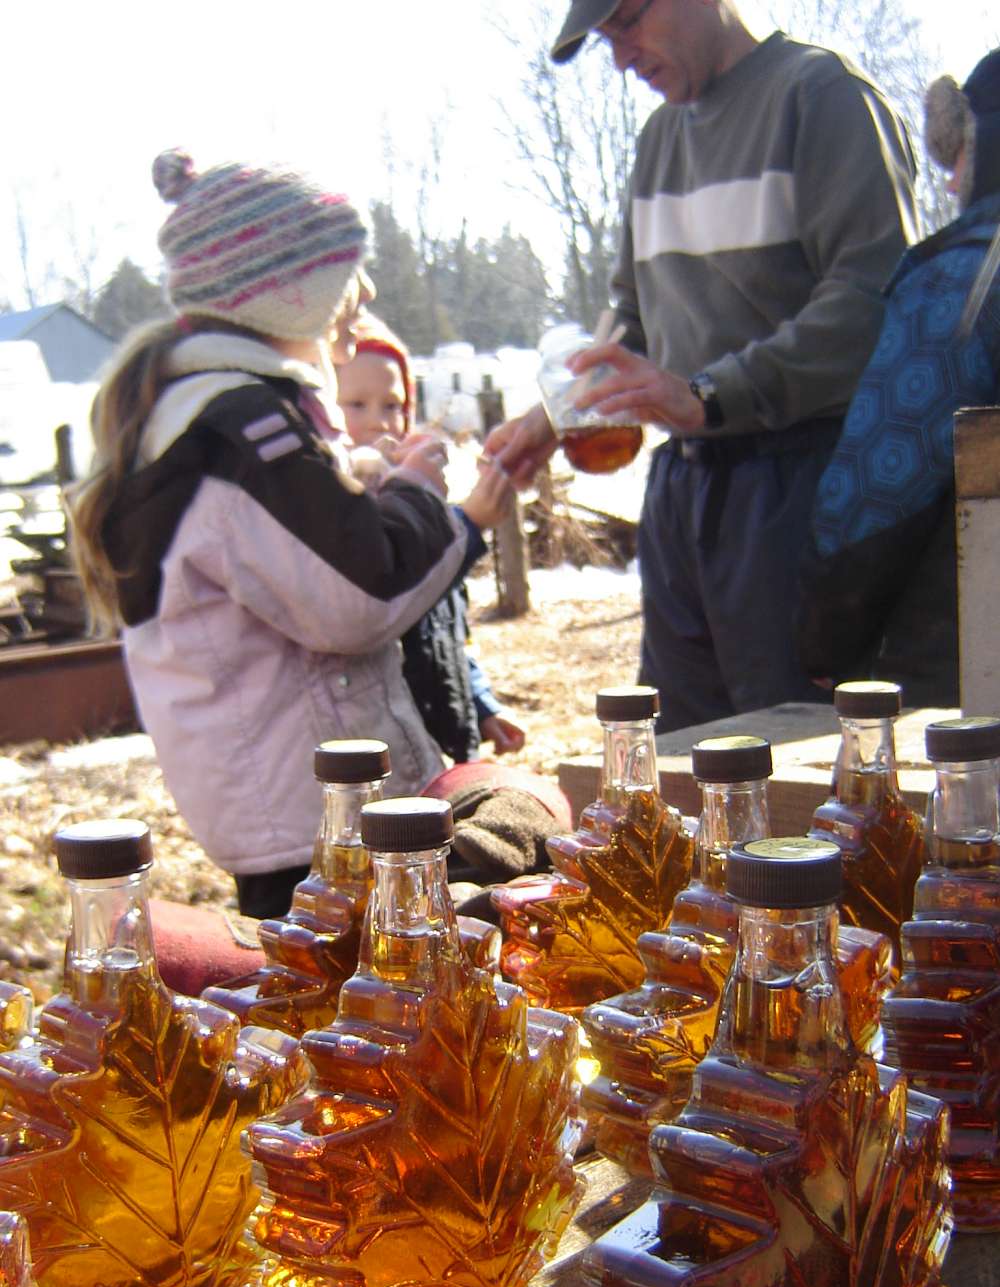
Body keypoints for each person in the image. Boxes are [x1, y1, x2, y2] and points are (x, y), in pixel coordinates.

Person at [69, 150, 513, 919]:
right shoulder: (242, 431)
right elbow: (354, 595)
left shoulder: (210, 418)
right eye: (349, 271)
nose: (365, 293)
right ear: (287, 292)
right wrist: (442, 505)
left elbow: (291, 543)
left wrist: (367, 477)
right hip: (313, 828)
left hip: (288, 813)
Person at [484, 0, 918, 732]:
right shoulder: (658, 140)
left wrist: (711, 394)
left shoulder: (821, 96)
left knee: (796, 756)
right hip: (684, 491)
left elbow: (872, 296)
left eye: (624, 21)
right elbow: (631, 318)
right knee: (684, 751)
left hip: (802, 482)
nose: (621, 57)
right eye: (604, 41)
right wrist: (556, 413)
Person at [797, 50, 1000, 707]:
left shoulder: (966, 280)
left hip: (965, 680)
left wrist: (825, 637)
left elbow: (879, 492)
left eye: (959, 157)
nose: (949, 185)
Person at [336, 315, 526, 761]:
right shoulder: (339, 513)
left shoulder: (422, 501)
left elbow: (447, 622)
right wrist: (472, 525)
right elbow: (395, 597)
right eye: (356, 405)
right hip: (390, 745)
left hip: (446, 736)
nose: (378, 422)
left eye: (393, 405)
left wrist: (480, 704)